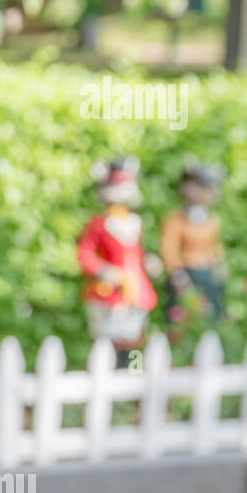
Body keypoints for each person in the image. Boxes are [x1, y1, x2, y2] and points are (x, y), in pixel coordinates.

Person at [76, 157, 158, 367]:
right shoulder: (99, 224)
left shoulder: (133, 223)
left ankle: (131, 375)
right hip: (111, 290)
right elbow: (85, 254)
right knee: (108, 338)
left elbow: (135, 251)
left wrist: (148, 261)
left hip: (135, 288)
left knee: (133, 335)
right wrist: (103, 270)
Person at [160, 163, 226, 323]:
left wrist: (220, 264)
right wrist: (177, 273)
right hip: (187, 273)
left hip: (207, 272)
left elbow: (215, 246)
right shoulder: (176, 220)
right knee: (183, 314)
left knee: (211, 314)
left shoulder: (212, 220)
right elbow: (169, 248)